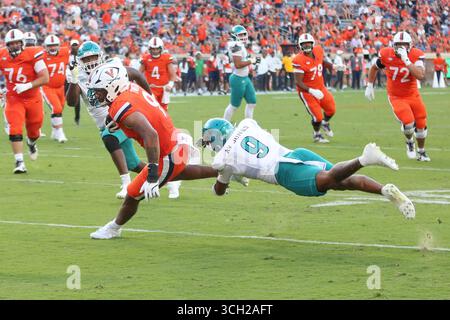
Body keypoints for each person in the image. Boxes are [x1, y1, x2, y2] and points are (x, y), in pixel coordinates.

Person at [87, 64, 221, 239]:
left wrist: (152, 175)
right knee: (176, 172)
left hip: (167, 154)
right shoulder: (131, 87)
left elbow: (151, 134)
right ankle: (223, 170)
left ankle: (113, 228)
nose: (96, 95)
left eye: (99, 90)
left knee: (133, 194)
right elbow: (135, 75)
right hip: (177, 139)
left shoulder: (120, 105)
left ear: (113, 87)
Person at [200, 118, 415, 219]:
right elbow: (245, 154)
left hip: (283, 172)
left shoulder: (222, 159)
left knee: (330, 179)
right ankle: (385, 190)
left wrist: (226, 178)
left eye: (210, 140)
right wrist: (236, 172)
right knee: (342, 181)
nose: (209, 145)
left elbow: (219, 190)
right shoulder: (247, 123)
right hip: (296, 154)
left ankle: (363, 159)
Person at [66, 41, 147, 198]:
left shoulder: (112, 66)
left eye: (93, 58)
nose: (90, 62)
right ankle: (166, 177)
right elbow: (71, 103)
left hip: (124, 115)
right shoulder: (78, 75)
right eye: (86, 59)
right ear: (80, 61)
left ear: (100, 56)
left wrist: (148, 96)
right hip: (104, 124)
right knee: (133, 164)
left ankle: (126, 185)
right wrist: (73, 80)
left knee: (109, 138)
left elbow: (136, 75)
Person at [365, 31, 430, 162]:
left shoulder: (415, 55)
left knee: (421, 124)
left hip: (413, 94)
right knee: (408, 122)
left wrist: (406, 60)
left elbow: (420, 76)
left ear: (410, 45)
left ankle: (421, 152)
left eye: (404, 45)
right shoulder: (386, 54)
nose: (401, 48)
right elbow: (374, 68)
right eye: (398, 45)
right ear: (393, 45)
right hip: (396, 96)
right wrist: (370, 85)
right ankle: (409, 142)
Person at [0, 29, 49, 173]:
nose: (14, 46)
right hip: (14, 99)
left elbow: (45, 78)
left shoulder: (33, 54)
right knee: (15, 128)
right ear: (7, 45)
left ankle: (31, 143)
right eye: (11, 43)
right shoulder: (2, 55)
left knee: (34, 131)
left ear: (22, 43)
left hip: (33, 98)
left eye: (17, 43)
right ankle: (19, 162)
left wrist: (28, 85)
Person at [139, 36, 181, 198]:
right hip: (149, 91)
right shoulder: (145, 59)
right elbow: (138, 73)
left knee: (160, 123)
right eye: (153, 49)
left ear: (161, 48)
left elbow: (172, 73)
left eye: (157, 49)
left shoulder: (166, 58)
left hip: (162, 91)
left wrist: (170, 83)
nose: (155, 51)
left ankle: (170, 181)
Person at [293, 33, 336, 143]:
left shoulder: (318, 50)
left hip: (320, 87)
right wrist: (311, 91)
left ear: (313, 44)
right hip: (307, 92)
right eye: (304, 44)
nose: (306, 46)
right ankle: (317, 135)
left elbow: (321, 62)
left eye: (308, 44)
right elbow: (298, 82)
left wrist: (332, 66)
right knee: (317, 117)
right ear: (300, 46)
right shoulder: (298, 60)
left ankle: (325, 123)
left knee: (331, 110)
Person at [223, 25, 260, 122]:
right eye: (240, 35)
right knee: (234, 106)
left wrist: (251, 64)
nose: (243, 36)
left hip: (245, 77)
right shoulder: (236, 46)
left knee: (252, 102)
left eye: (244, 34)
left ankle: (249, 126)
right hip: (238, 79)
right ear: (235, 36)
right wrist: (252, 61)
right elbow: (238, 64)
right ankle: (224, 124)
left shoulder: (240, 45)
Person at [42, 35, 70, 143]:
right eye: (50, 46)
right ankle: (60, 133)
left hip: (60, 87)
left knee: (60, 109)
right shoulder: (42, 56)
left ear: (59, 46)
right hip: (47, 87)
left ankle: (54, 131)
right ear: (45, 47)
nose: (52, 48)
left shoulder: (65, 52)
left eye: (54, 45)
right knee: (57, 109)